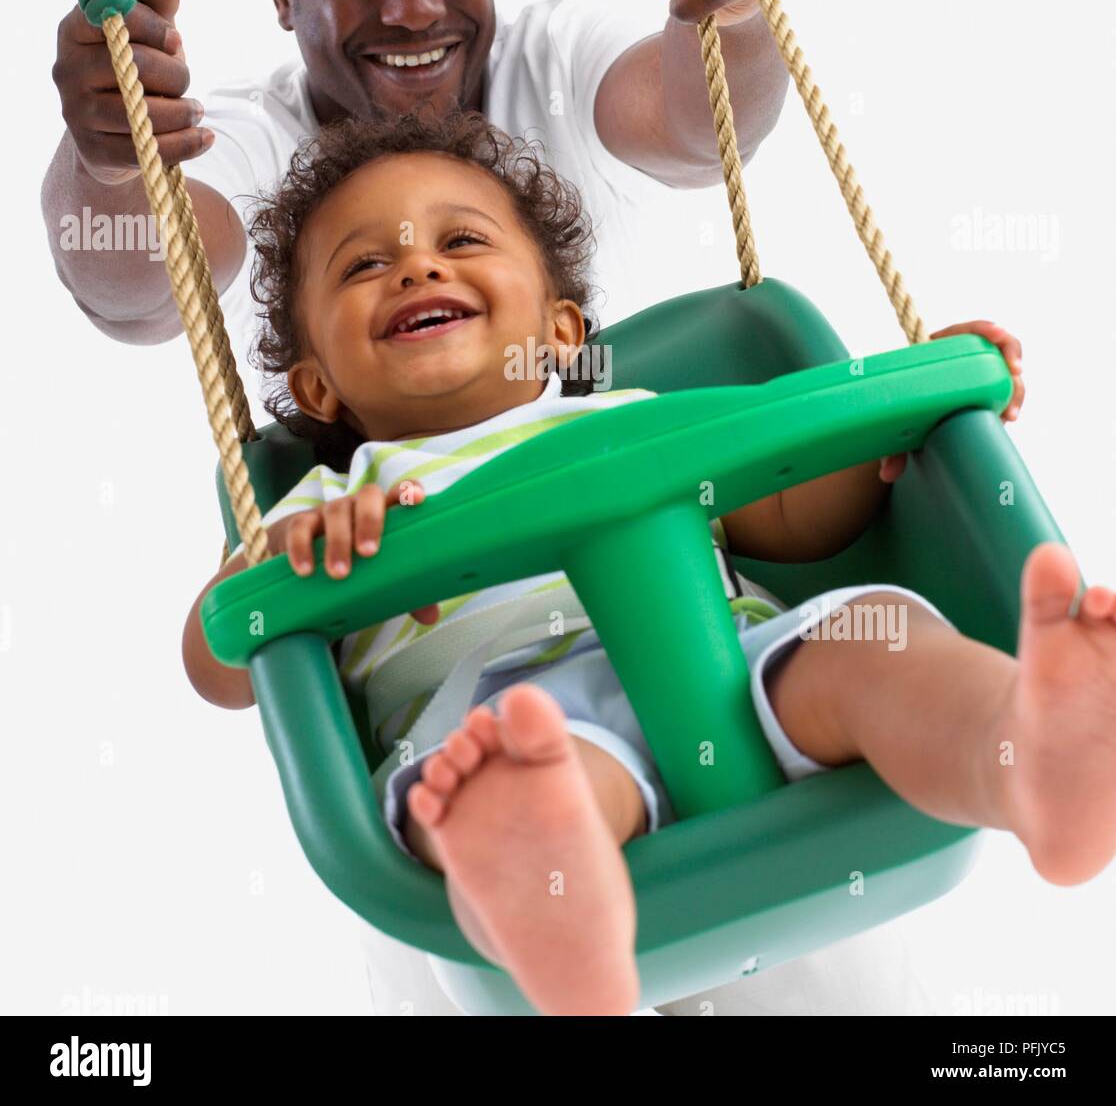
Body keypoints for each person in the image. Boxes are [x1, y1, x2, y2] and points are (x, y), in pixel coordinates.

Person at [175, 106, 1116, 1021]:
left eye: (462, 242)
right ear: (317, 387)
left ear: (563, 333)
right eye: (367, 265)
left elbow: (796, 515)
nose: (418, 264)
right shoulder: (333, 503)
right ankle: (562, 919)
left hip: (733, 669)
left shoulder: (626, 414)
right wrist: (287, 568)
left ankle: (1030, 754)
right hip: (506, 720)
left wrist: (893, 433)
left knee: (880, 642)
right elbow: (220, 665)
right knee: (509, 794)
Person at [42, 0, 790, 425]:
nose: (412, 7)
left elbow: (704, 135)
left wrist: (726, 0)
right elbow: (135, 290)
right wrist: (111, 166)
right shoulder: (245, 142)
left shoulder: (552, 61)